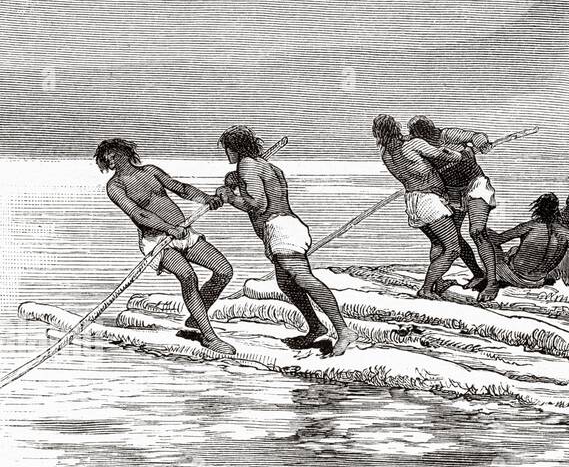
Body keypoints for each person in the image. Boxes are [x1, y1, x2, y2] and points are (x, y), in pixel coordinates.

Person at [215, 126, 356, 355]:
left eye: (227, 149)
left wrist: (231, 197)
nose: (226, 154)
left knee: (304, 279)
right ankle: (316, 327)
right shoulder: (266, 166)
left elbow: (258, 204)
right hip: (286, 227)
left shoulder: (247, 165)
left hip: (281, 229)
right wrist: (235, 182)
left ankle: (343, 330)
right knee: (287, 283)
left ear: (234, 148)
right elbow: (264, 191)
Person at [95, 138, 235, 355]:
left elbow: (181, 189)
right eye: (107, 159)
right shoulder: (115, 186)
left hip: (183, 233)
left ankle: (196, 318)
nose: (110, 161)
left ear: (125, 152)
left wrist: (206, 198)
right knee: (188, 276)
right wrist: (168, 228)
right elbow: (138, 214)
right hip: (158, 242)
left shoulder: (150, 171)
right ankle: (209, 337)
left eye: (113, 155)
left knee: (224, 271)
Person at [372, 114, 470, 301]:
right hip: (429, 201)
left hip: (413, 201)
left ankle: (438, 282)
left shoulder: (385, 153)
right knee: (453, 249)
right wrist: (465, 153)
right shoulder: (413, 145)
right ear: (396, 127)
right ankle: (426, 289)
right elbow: (444, 156)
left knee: (438, 243)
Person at [408, 117, 499, 302]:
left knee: (477, 232)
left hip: (474, 184)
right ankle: (461, 277)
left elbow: (475, 136)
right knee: (446, 239)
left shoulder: (448, 134)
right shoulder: (417, 147)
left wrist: (482, 143)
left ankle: (492, 282)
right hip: (451, 193)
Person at [489, 193, 569, 291]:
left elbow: (498, 240)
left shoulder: (530, 226)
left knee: (490, 244)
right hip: (537, 281)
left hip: (513, 276)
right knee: (514, 249)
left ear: (538, 208)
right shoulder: (567, 233)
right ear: (556, 210)